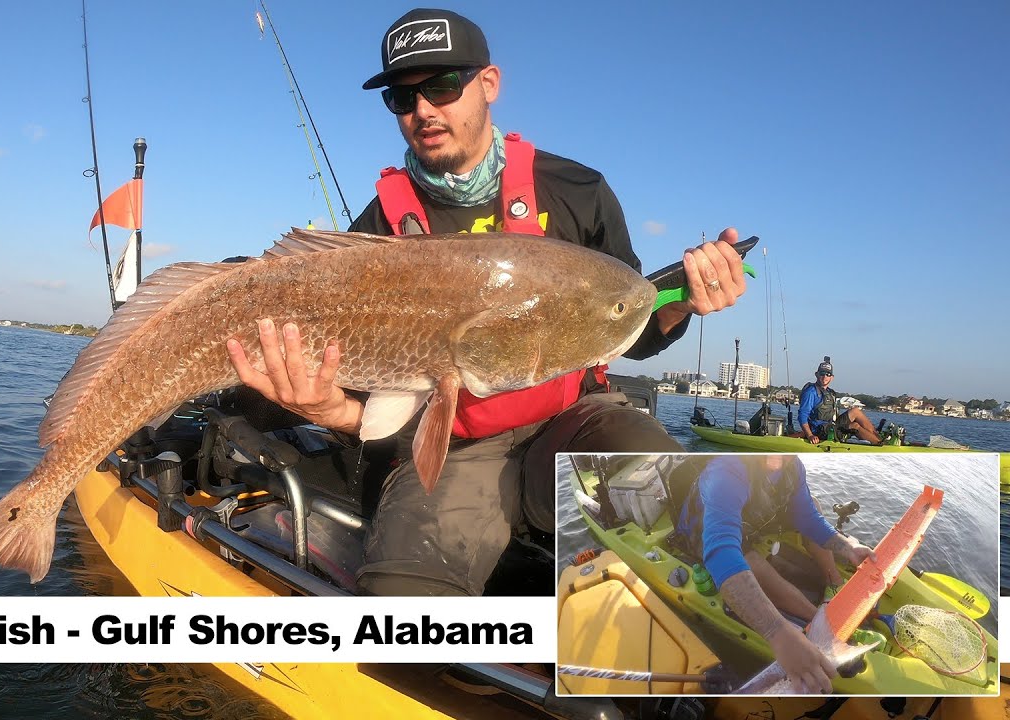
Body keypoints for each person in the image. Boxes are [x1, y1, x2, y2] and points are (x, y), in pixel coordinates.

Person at [225, 8, 746, 596]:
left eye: (444, 85)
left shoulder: (579, 192)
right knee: (402, 613)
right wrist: (331, 410)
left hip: (573, 419)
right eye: (403, 96)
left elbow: (629, 325)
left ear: (489, 83)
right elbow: (377, 398)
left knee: (690, 501)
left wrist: (678, 304)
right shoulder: (374, 228)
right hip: (452, 451)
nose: (424, 109)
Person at [672, 454, 876, 694]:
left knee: (815, 504)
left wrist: (847, 546)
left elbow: (808, 517)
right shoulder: (726, 471)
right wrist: (777, 633)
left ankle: (834, 581)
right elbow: (722, 554)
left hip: (754, 520)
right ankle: (819, 622)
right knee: (751, 562)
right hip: (704, 531)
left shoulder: (793, 466)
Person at [798, 358, 882, 444]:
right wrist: (810, 435)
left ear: (832, 377)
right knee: (854, 426)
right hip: (820, 430)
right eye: (822, 373)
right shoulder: (811, 392)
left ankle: (877, 436)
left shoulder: (830, 392)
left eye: (828, 374)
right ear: (816, 374)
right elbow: (802, 415)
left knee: (855, 411)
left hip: (831, 425)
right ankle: (880, 445)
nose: (825, 377)